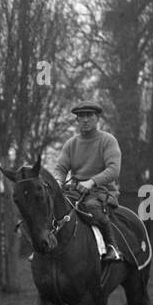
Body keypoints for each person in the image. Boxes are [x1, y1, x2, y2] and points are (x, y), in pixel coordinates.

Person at [51, 101, 123, 263]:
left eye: (89, 115)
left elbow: (113, 170)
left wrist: (92, 182)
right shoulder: (71, 144)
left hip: (101, 192)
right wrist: (57, 181)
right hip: (75, 190)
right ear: (77, 120)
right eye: (81, 116)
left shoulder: (108, 141)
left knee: (91, 208)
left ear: (97, 118)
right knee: (54, 208)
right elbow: (61, 168)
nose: (85, 119)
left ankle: (112, 247)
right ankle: (45, 250)